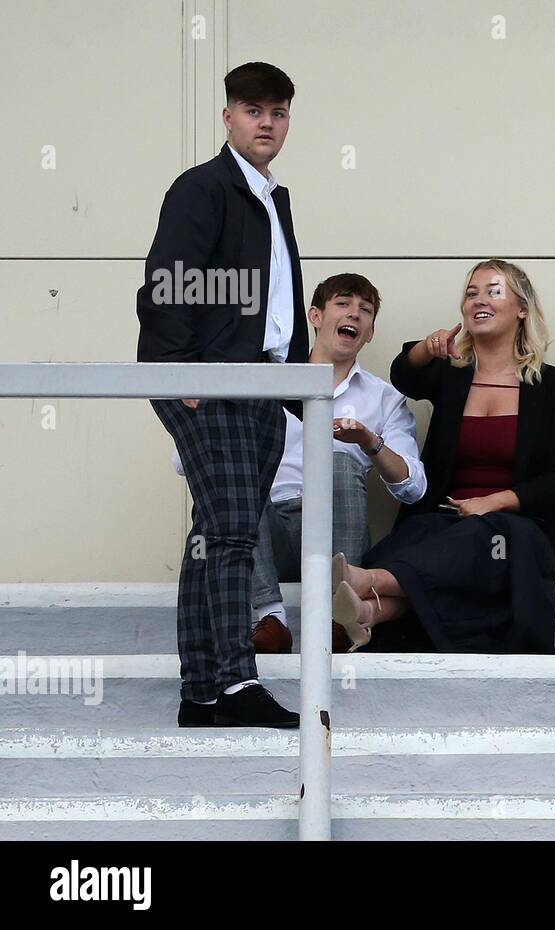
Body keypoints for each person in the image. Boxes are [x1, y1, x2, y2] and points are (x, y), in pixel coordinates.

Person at [137, 62, 306, 728]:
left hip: (263, 385)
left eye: (278, 112)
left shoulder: (272, 196)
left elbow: (281, 299)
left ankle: (202, 693)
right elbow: (166, 284)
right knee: (234, 531)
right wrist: (186, 377)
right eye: (253, 110)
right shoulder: (203, 187)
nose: (267, 123)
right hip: (211, 381)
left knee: (214, 534)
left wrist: (294, 382)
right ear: (228, 116)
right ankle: (237, 683)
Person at [330, 260, 555, 654]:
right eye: (471, 293)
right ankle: (367, 613)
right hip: (442, 519)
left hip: (517, 530)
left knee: (479, 541)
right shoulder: (452, 374)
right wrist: (426, 348)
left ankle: (370, 581)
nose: (479, 300)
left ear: (521, 309)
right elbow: (404, 376)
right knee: (422, 543)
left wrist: (493, 502)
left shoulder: (553, 386)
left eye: (493, 291)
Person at [171, 274, 427, 653]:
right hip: (265, 535)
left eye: (365, 310)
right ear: (315, 316)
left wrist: (369, 442)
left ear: (370, 332)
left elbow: (414, 487)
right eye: (343, 304)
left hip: (334, 537)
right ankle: (272, 619)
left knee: (339, 461)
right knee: (241, 479)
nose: (354, 314)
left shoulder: (383, 398)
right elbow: (185, 461)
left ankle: (339, 617)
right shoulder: (267, 383)